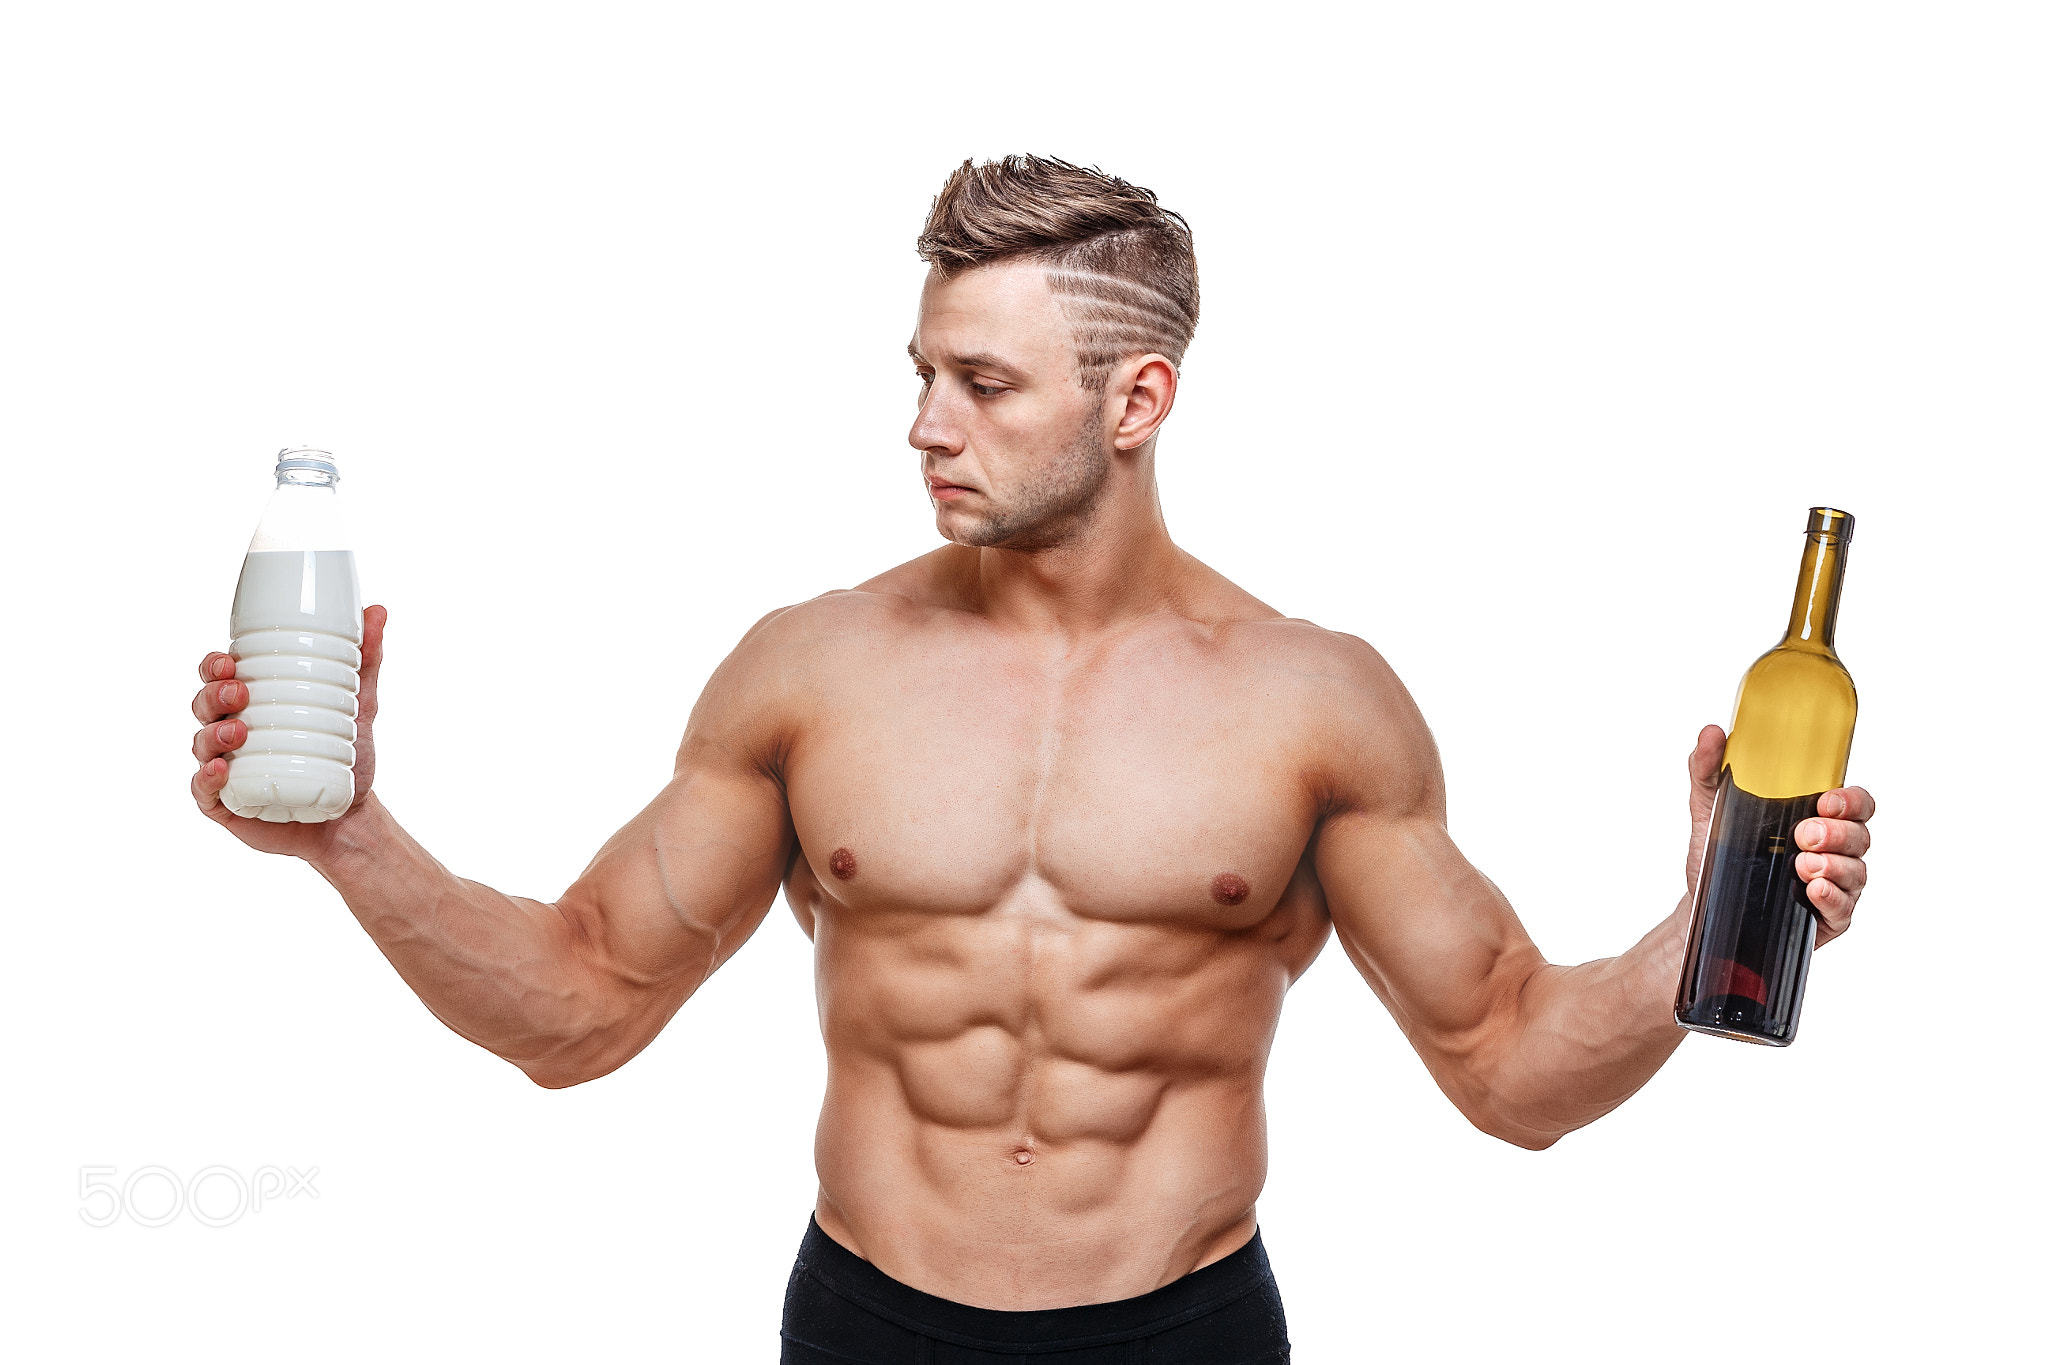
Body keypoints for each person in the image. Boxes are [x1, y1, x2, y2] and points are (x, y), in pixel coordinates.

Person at [189, 156, 1876, 1364]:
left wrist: (1709, 913)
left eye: (984, 384)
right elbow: (579, 1005)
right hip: (864, 1322)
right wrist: (350, 837)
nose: (926, 423)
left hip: (1185, 1334)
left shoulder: (1315, 702)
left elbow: (1510, 1068)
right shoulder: (812, 670)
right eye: (922, 373)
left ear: (1136, 399)